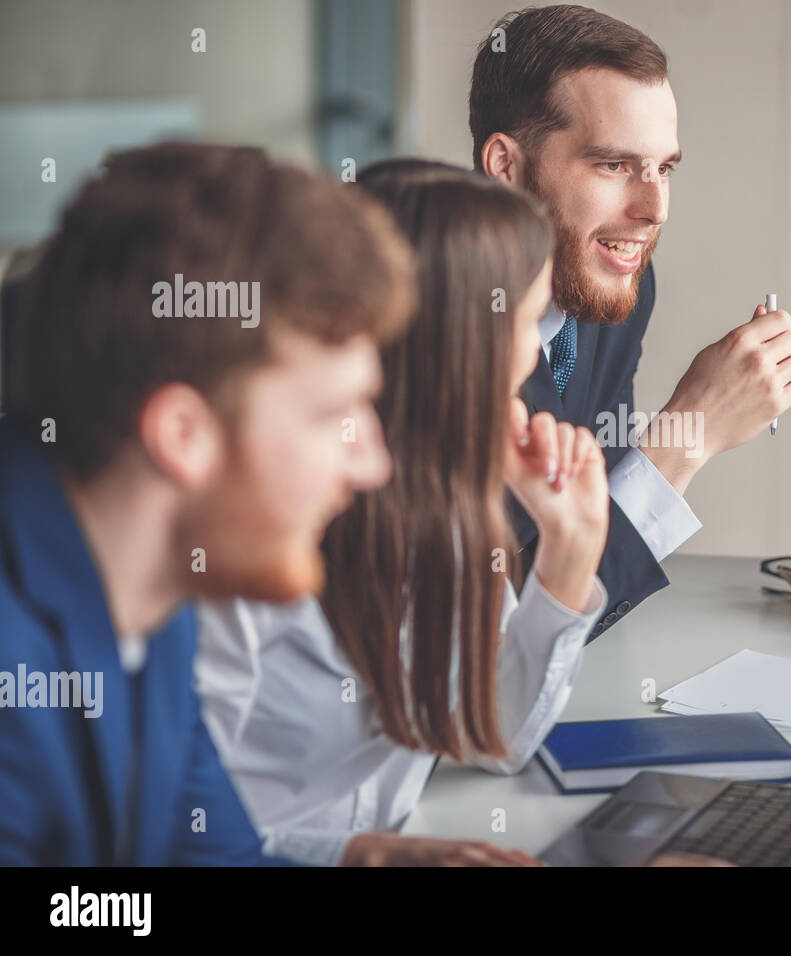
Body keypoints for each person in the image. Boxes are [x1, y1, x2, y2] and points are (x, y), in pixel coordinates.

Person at [0, 142, 414, 864]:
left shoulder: (157, 599)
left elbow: (216, 860)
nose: (373, 464)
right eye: (335, 416)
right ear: (183, 435)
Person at [195, 161, 609, 866]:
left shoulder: (446, 507)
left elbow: (494, 738)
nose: (536, 349)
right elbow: (164, 834)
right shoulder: (239, 536)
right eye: (525, 319)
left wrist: (570, 552)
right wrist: (359, 856)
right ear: (451, 340)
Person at [471, 5, 791, 637]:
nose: (654, 209)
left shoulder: (616, 285)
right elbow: (499, 627)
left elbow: (583, 533)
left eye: (664, 168)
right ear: (506, 168)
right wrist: (689, 437)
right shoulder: (424, 327)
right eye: (613, 165)